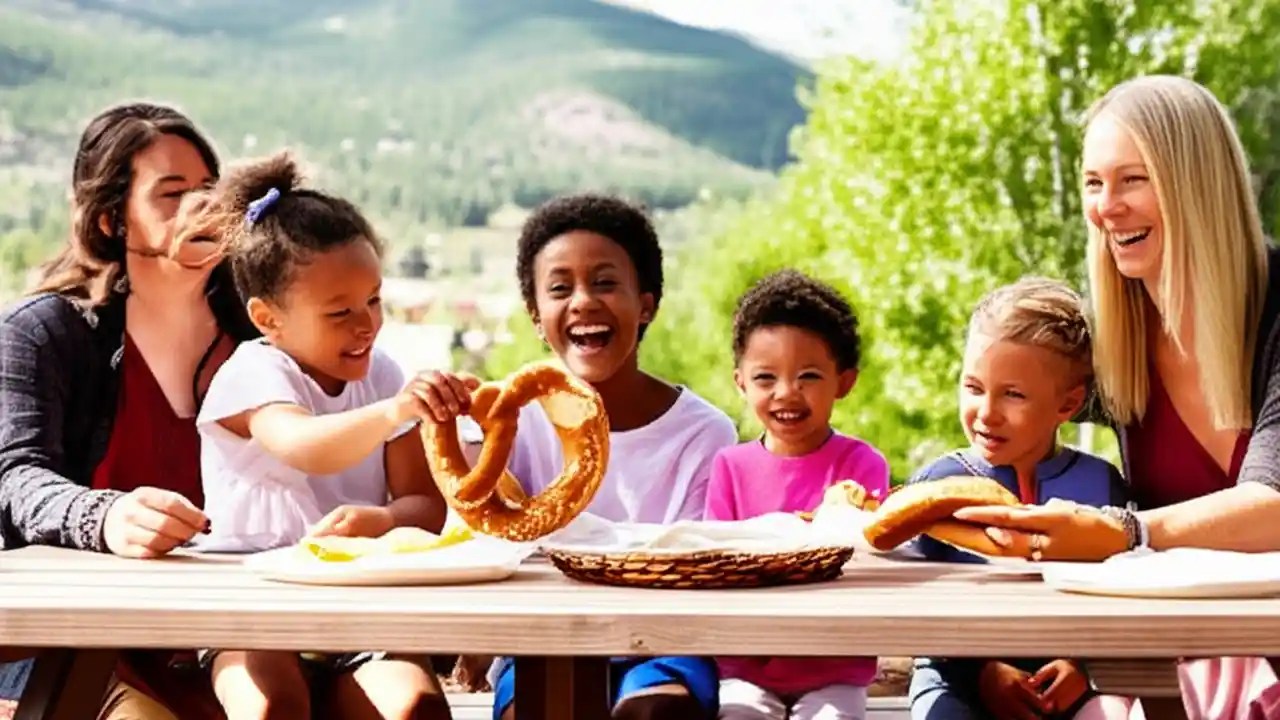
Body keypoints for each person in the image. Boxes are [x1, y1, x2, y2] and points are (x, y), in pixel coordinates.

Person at [954, 75, 1280, 717]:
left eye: (1133, 179)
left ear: (1197, 183)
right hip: (1186, 661)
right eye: (1093, 183)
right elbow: (1012, 415)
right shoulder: (1115, 340)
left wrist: (1120, 532)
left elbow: (1274, 509)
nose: (1107, 207)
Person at [422, 193, 739, 720]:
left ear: (647, 304)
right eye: (560, 287)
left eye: (606, 282)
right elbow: (478, 534)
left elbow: (698, 574)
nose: (584, 301)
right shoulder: (511, 420)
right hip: (542, 639)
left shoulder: (703, 433)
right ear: (535, 315)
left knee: (658, 713)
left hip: (667, 643)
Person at [0, 102, 258, 719]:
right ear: (114, 220)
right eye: (171, 195)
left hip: (236, 634)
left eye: (207, 191)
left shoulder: (258, 332)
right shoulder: (45, 332)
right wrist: (104, 516)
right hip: (83, 640)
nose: (202, 209)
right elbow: (15, 478)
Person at [190, 151, 452, 720]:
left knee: (415, 707)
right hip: (252, 604)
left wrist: (383, 520)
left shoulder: (382, 374)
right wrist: (392, 413)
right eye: (339, 313)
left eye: (374, 300)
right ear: (268, 319)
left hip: (356, 607)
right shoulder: (252, 373)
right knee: (273, 707)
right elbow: (302, 443)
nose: (366, 324)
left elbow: (426, 504)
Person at [906, 278, 1133, 720]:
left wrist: (1083, 667)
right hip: (957, 679)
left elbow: (1123, 595)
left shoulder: (1103, 486)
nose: (986, 412)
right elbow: (910, 600)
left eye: (1013, 394)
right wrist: (983, 670)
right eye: (973, 388)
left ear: (1067, 405)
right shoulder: (937, 485)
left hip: (1070, 685)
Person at [705, 269, 889, 720]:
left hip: (835, 665)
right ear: (740, 383)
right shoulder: (729, 467)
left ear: (844, 381)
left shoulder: (863, 466)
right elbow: (715, 565)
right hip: (745, 666)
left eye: (808, 376)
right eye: (766, 377)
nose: (787, 393)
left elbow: (866, 560)